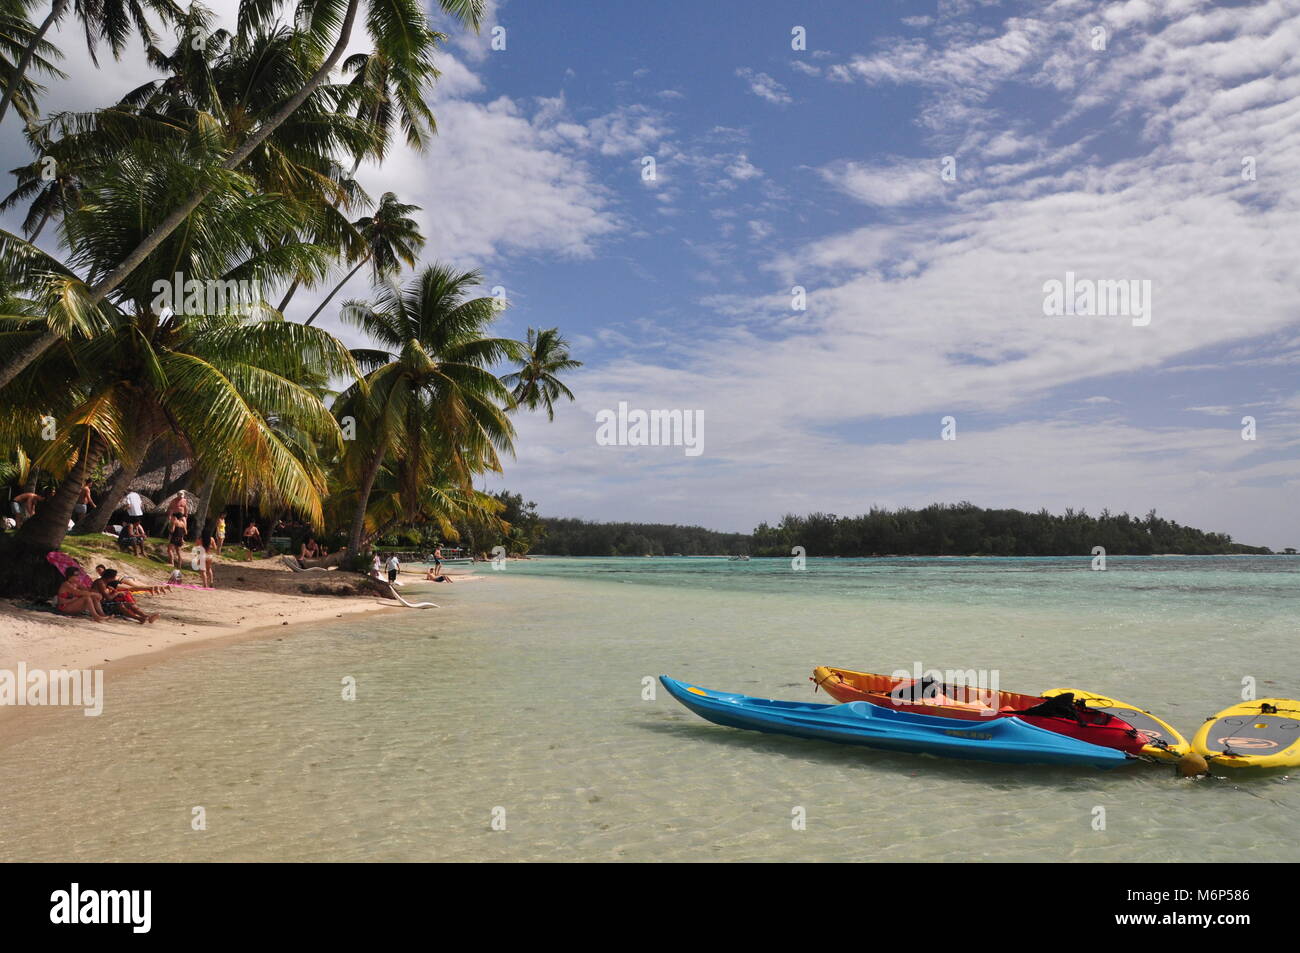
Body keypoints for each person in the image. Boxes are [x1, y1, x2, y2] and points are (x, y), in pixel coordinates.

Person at [92, 569, 158, 624]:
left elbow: (108, 596)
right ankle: (139, 618)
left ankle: (147, 617)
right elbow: (108, 598)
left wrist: (115, 592)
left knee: (130, 604)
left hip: (103, 603)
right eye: (114, 577)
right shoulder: (101, 583)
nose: (115, 579)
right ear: (110, 577)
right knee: (120, 605)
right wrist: (117, 593)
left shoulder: (104, 582)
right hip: (100, 605)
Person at [197, 523, 217, 588]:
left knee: (203, 571)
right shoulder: (212, 539)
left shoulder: (199, 539)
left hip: (202, 555)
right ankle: (211, 582)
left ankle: (205, 584)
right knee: (209, 569)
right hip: (209, 556)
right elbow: (215, 548)